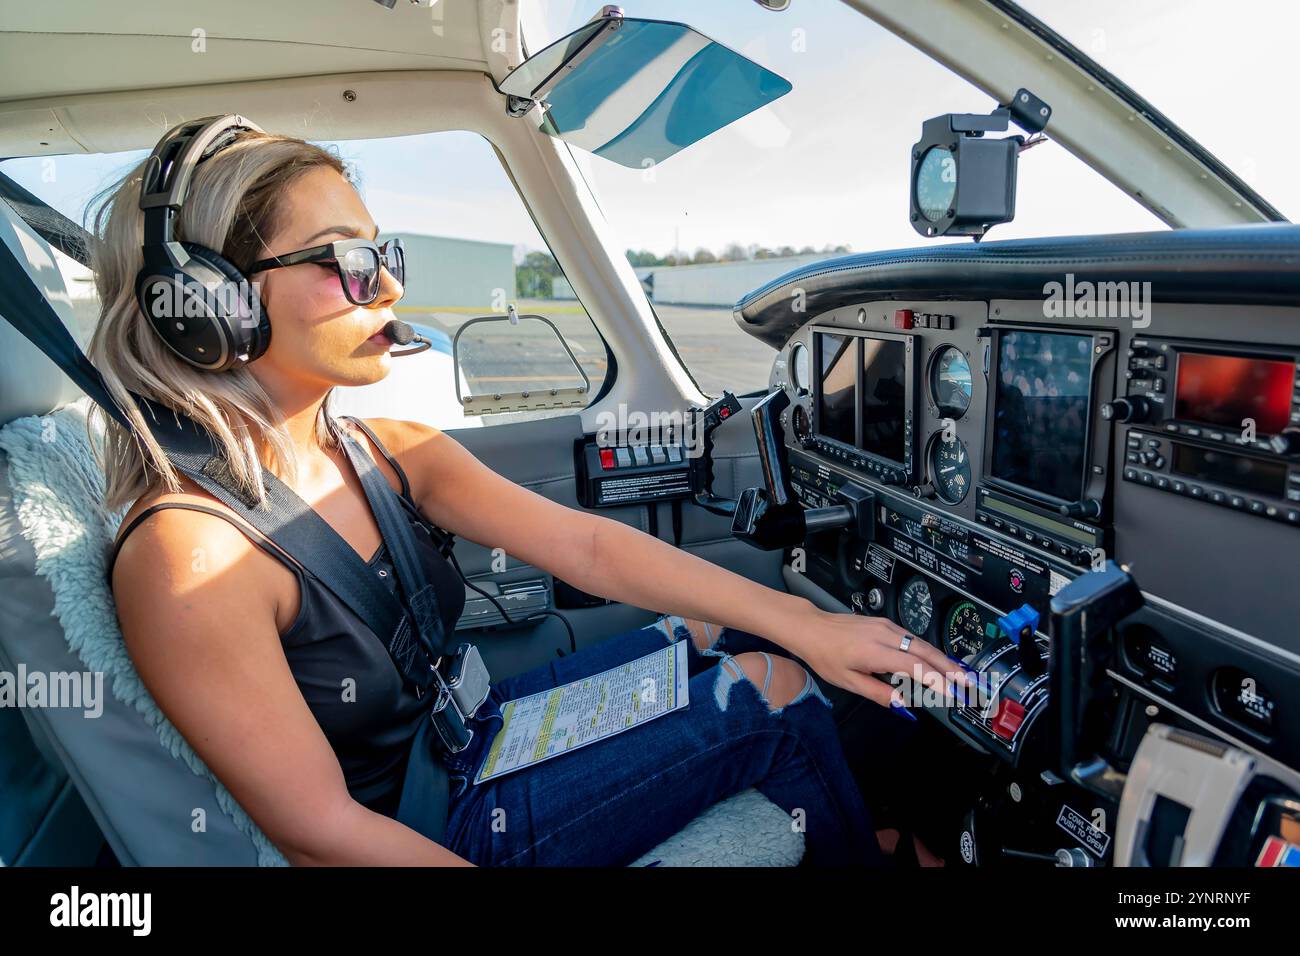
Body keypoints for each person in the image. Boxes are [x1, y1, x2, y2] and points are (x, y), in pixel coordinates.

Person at [95, 121, 965, 866]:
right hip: (435, 815)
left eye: (383, 254)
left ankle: (896, 828)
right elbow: (323, 837)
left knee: (746, 623)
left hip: (474, 729)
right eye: (350, 263)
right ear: (212, 304)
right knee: (767, 689)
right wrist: (796, 647)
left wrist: (810, 620)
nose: (390, 287)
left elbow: (590, 547)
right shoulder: (190, 554)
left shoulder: (374, 448)